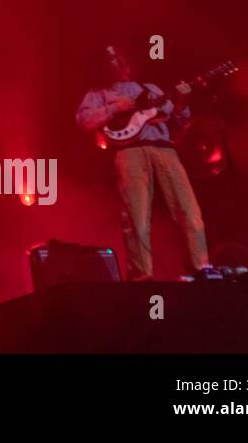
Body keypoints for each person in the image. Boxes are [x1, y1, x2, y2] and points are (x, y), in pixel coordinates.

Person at [75, 46, 209, 280]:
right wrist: (116, 107)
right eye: (111, 59)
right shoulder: (98, 93)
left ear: (127, 64)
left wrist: (181, 102)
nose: (117, 62)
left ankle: (201, 269)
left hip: (165, 149)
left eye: (119, 58)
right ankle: (141, 276)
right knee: (136, 215)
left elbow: (178, 124)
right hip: (129, 152)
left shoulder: (151, 89)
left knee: (188, 209)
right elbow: (84, 120)